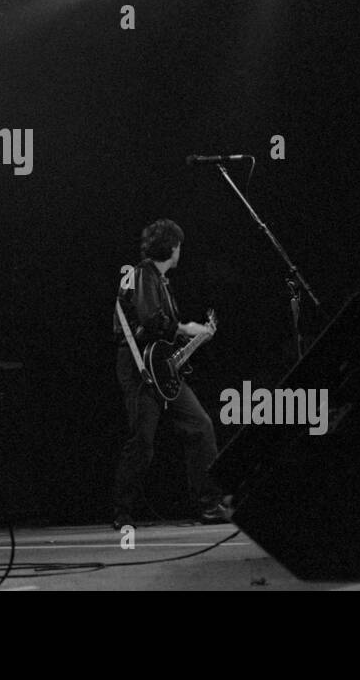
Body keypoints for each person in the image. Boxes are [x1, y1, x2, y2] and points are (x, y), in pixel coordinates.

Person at [112, 219, 231, 529]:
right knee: (143, 442)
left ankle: (208, 502)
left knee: (200, 424)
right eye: (180, 245)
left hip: (163, 367)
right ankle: (121, 511)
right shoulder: (142, 274)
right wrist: (185, 328)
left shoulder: (161, 281)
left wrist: (196, 337)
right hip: (139, 368)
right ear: (173, 247)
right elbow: (151, 320)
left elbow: (161, 331)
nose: (181, 251)